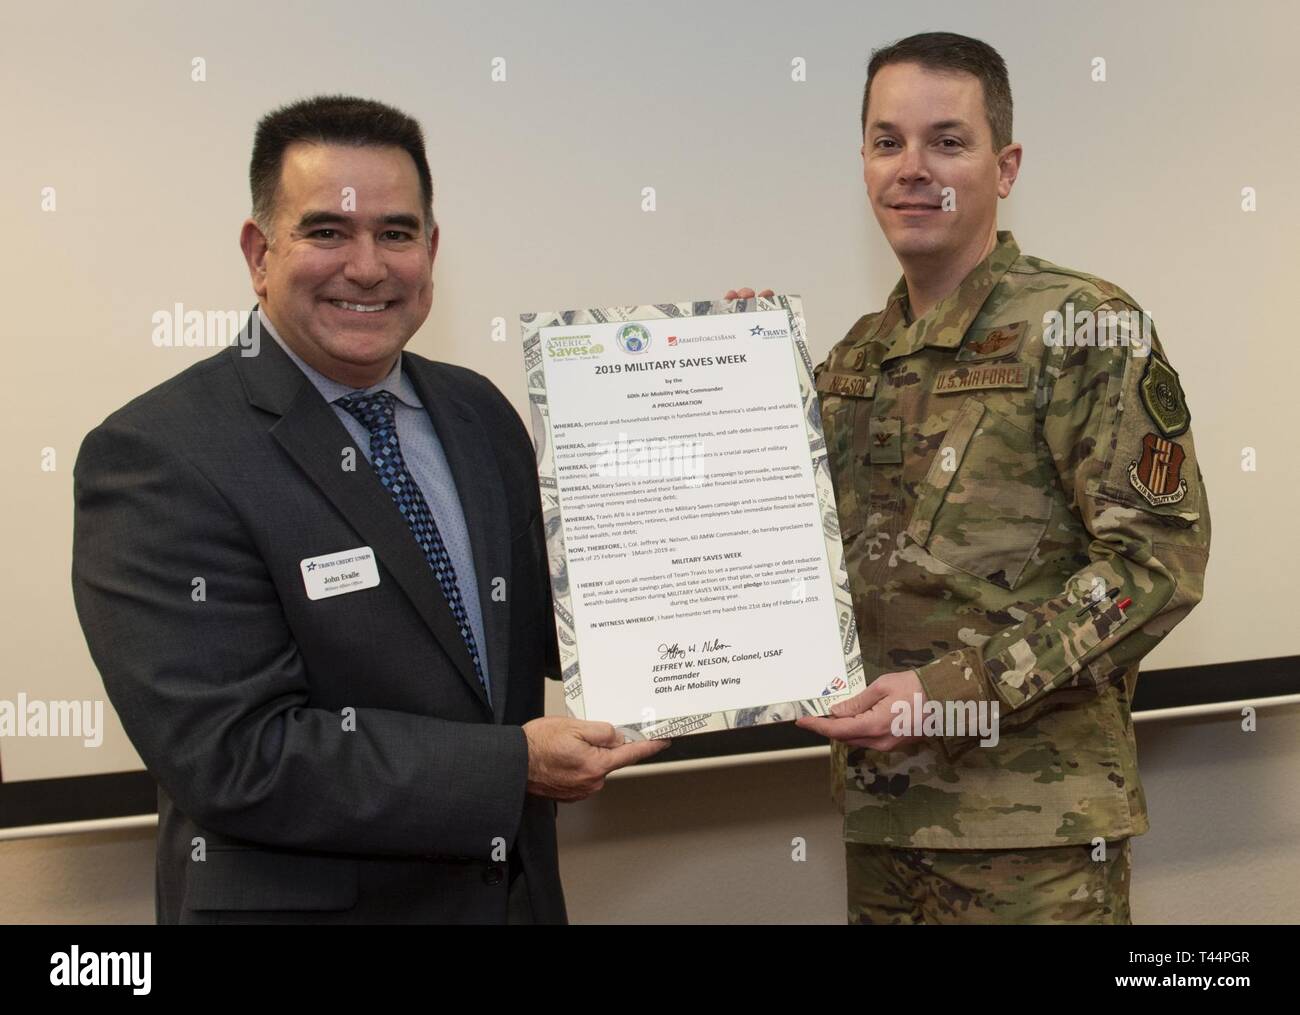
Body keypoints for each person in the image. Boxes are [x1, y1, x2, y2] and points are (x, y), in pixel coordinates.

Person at [71, 94, 666, 925]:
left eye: (394, 232)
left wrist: (719, 389)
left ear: (431, 247)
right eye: (326, 231)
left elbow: (551, 624)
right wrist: (509, 768)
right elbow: (237, 754)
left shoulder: (477, 411)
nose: (367, 265)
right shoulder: (161, 454)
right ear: (258, 251)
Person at [729, 32, 1210, 923]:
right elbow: (797, 551)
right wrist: (734, 385)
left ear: (1006, 164)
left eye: (947, 141)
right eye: (887, 142)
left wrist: (951, 692)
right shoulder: (858, 355)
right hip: (884, 824)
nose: (912, 168)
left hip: (1033, 842)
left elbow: (1154, 570)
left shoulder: (1084, 327)